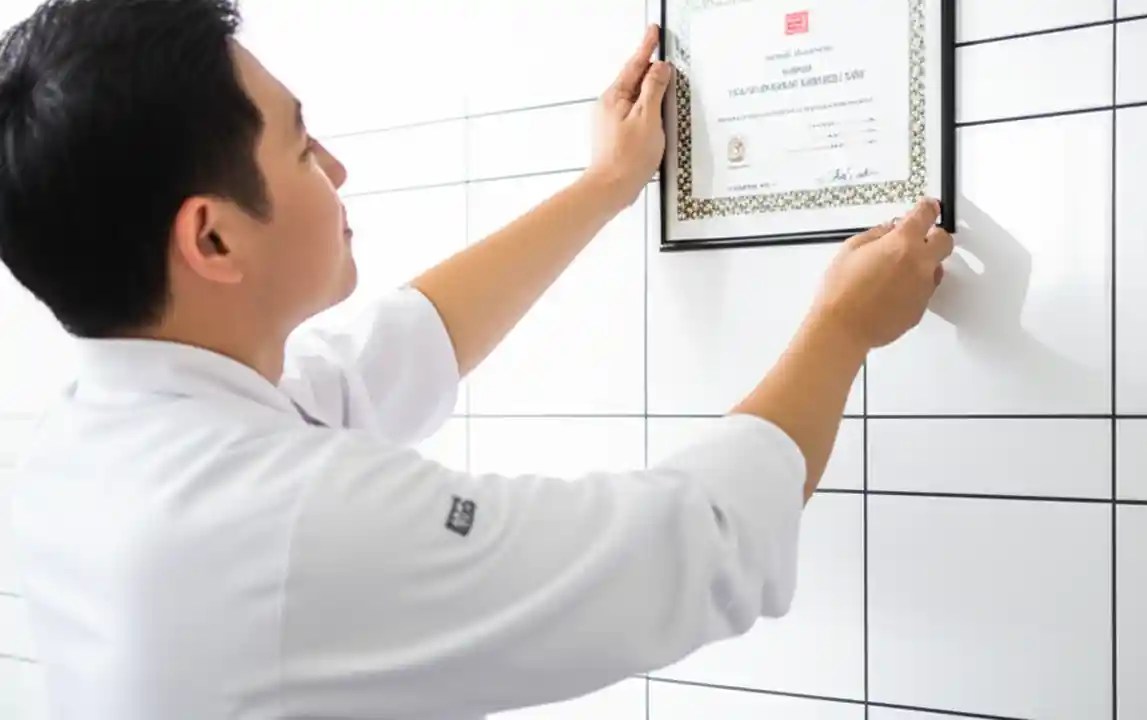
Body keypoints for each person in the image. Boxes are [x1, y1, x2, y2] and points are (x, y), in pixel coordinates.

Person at [0, 1, 953, 718]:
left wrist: (609, 184)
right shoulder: (285, 522)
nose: (336, 170)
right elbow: (694, 547)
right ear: (211, 242)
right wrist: (841, 330)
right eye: (300, 148)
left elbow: (392, 353)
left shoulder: (100, 437)